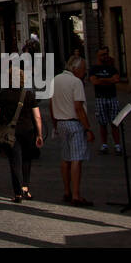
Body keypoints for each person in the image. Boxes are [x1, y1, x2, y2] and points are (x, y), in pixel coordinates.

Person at [0, 68, 44, 202]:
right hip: (28, 130)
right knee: (27, 159)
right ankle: (26, 188)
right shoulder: (28, 94)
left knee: (15, 161)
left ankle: (17, 193)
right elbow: (37, 116)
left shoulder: (3, 94)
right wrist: (39, 134)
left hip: (11, 133)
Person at [50, 56, 93, 206]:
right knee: (76, 159)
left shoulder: (55, 80)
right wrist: (88, 128)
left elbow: (51, 103)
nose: (85, 73)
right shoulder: (76, 82)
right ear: (75, 69)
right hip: (74, 123)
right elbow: (78, 108)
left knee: (65, 158)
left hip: (61, 123)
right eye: (83, 70)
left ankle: (67, 191)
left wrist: (54, 124)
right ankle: (76, 195)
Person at [88, 48, 121, 153]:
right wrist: (109, 80)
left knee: (115, 122)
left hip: (112, 97)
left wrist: (102, 80)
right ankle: (104, 144)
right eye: (102, 55)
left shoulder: (112, 68)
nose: (104, 57)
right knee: (102, 123)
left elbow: (116, 79)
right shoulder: (94, 69)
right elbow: (94, 82)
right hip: (100, 98)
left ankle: (117, 144)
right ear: (98, 56)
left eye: (106, 54)